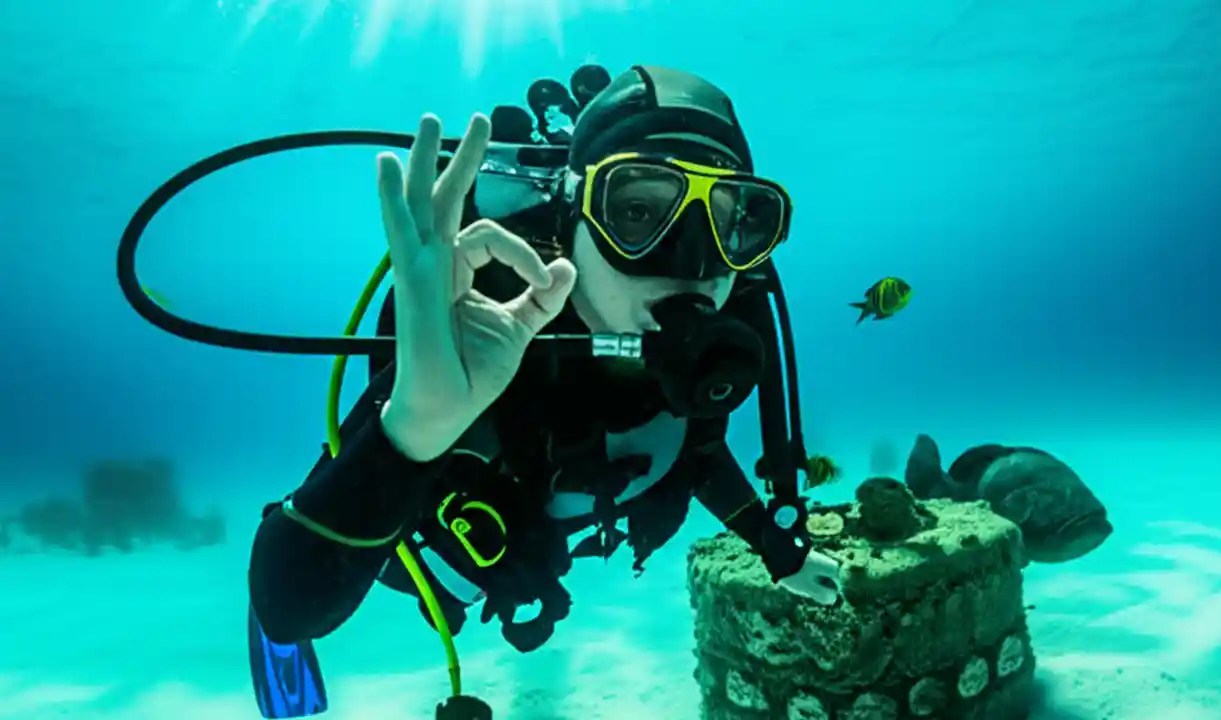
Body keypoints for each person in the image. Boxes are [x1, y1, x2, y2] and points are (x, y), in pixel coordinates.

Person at [245, 65, 842, 717]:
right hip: (453, 528)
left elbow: (694, 453)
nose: (693, 261)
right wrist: (409, 435)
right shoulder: (481, 316)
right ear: (572, 215)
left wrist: (768, 539)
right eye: (637, 209)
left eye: (730, 222)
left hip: (569, 515)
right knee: (442, 583)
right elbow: (289, 607)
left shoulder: (719, 327)